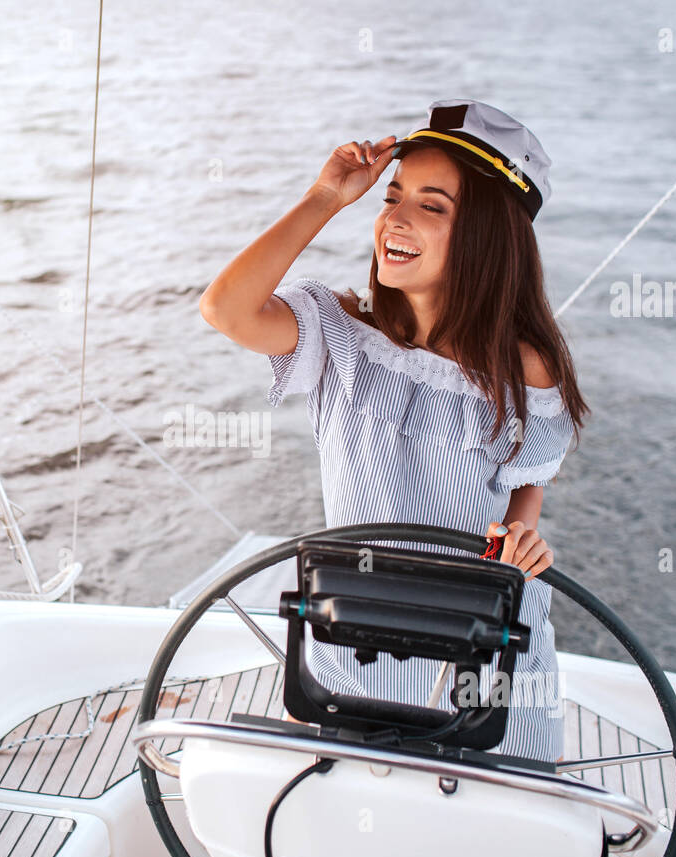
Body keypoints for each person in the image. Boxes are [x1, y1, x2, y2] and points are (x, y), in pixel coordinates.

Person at [198, 100, 590, 763]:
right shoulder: (339, 329)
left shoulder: (526, 367)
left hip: (487, 637)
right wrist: (326, 197)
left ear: (487, 238)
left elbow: (527, 483)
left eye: (432, 207)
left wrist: (521, 536)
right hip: (360, 627)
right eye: (393, 196)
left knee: (506, 810)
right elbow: (224, 309)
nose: (396, 220)